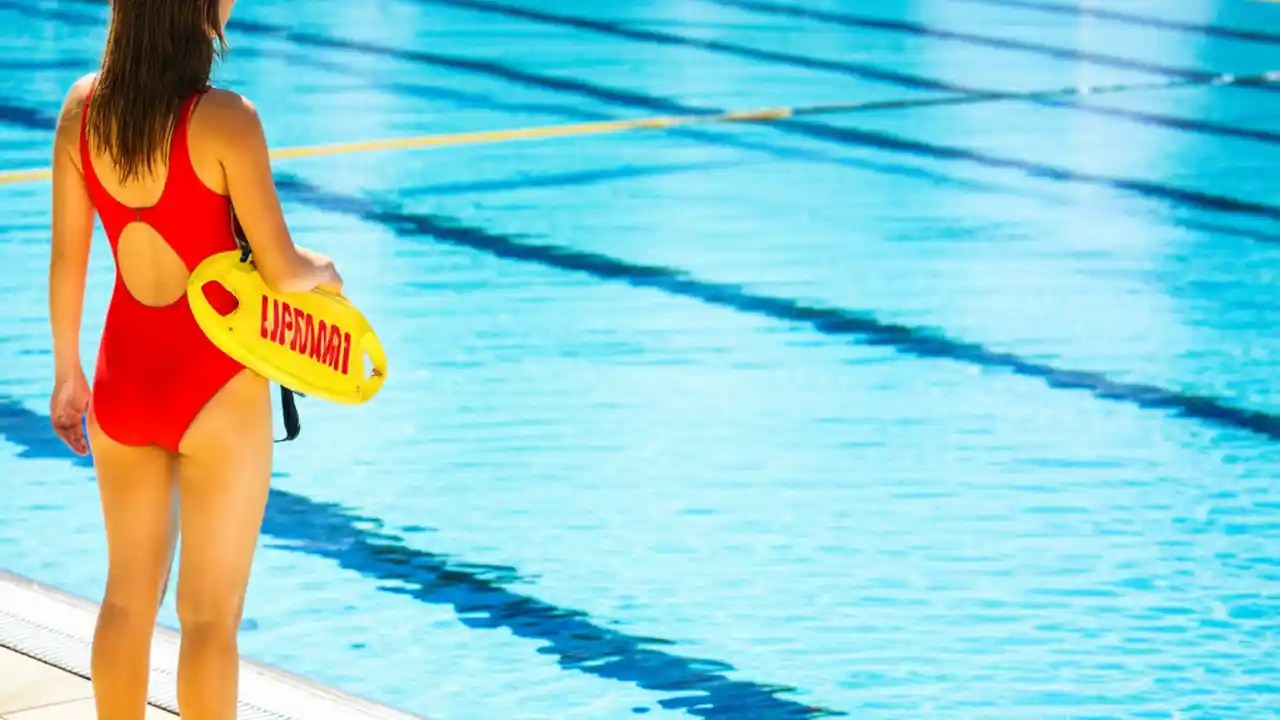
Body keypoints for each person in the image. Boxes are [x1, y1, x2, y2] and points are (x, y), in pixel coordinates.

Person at [46, 0, 341, 717]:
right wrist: (326, 271)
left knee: (126, 598)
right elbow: (280, 267)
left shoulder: (82, 110)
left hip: (123, 377)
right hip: (216, 385)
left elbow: (66, 260)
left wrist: (67, 375)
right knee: (209, 619)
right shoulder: (227, 119)